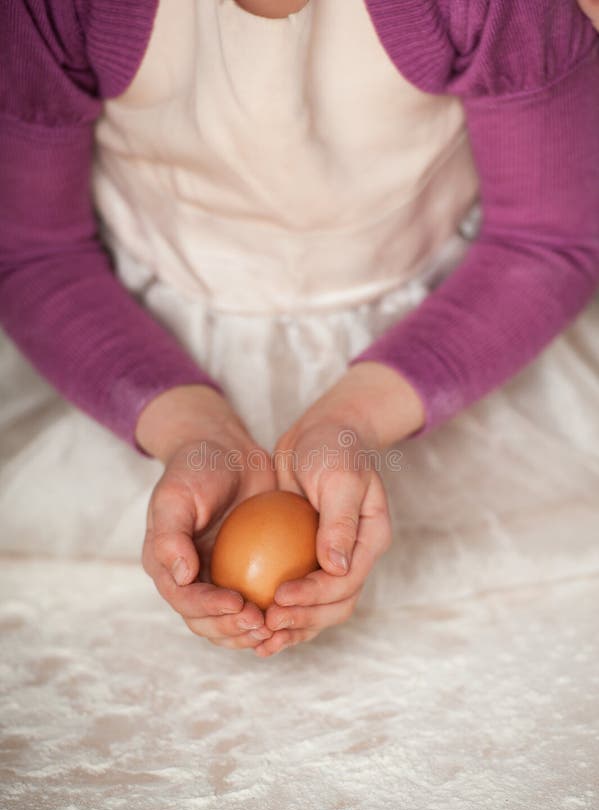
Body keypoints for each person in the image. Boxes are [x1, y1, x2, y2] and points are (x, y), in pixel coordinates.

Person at [1, 0, 598, 658]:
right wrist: (190, 432)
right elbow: (34, 253)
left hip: (444, 345)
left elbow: (545, 242)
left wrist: (354, 421)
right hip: (132, 353)